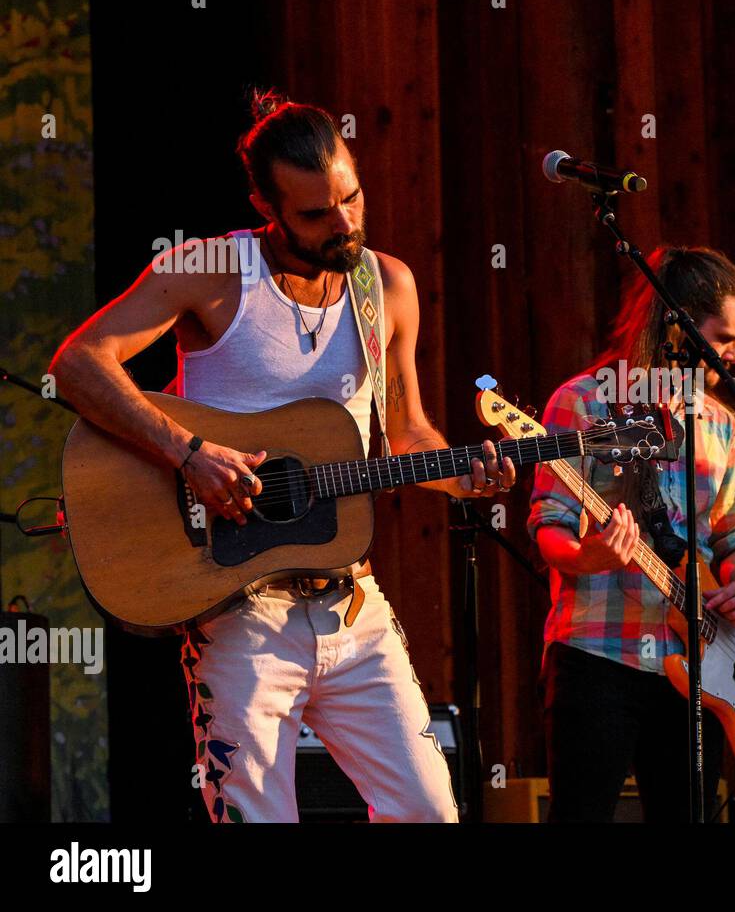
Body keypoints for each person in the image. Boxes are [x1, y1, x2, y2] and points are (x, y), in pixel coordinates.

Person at [48, 89, 515, 822]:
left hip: (353, 605)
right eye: (315, 214)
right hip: (237, 610)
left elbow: (407, 434)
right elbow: (79, 363)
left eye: (351, 199)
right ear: (264, 205)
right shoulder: (208, 269)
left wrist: (468, 479)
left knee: (431, 811)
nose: (344, 224)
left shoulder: (386, 286)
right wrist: (189, 453)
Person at [527, 246, 735, 822]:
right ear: (676, 323)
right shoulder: (582, 403)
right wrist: (590, 555)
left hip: (696, 663)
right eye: (724, 337)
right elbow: (549, 526)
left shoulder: (720, 423)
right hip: (596, 653)